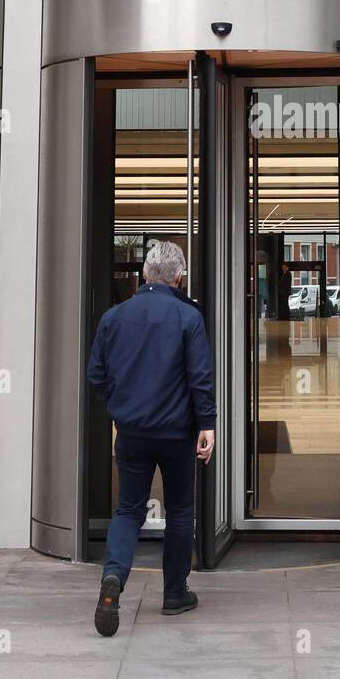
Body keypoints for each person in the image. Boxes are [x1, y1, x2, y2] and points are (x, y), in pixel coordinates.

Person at [86, 240, 215, 637]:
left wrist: (122, 405)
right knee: (179, 510)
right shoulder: (188, 317)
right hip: (176, 433)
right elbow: (200, 377)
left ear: (144, 274)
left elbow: (97, 376)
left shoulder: (114, 317)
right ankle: (175, 593)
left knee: (128, 510)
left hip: (132, 432)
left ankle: (113, 578)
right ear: (179, 278)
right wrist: (206, 424)